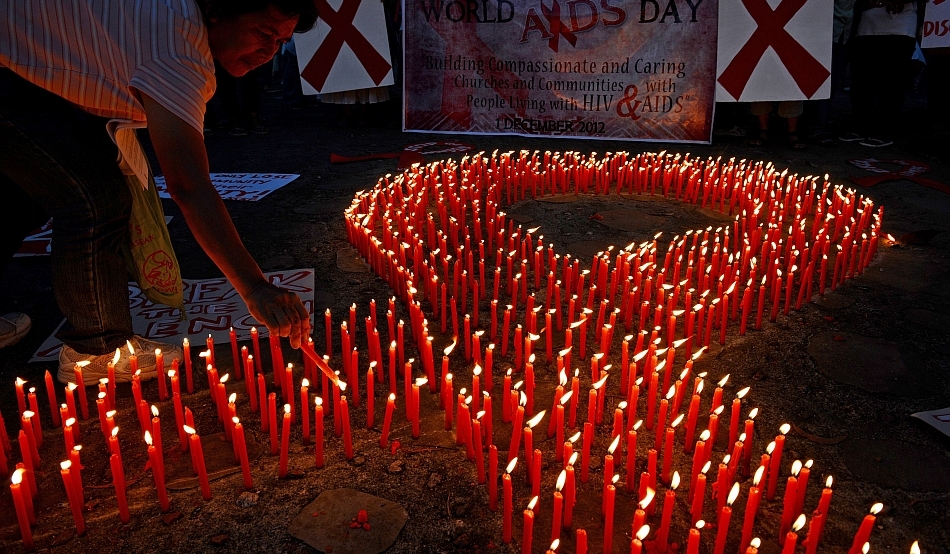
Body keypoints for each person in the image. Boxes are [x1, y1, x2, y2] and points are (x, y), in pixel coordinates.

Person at [0, 0, 316, 383]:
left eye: (281, 42)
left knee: (24, 194)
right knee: (94, 199)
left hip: (19, 68)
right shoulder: (179, 49)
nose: (270, 52)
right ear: (218, 10)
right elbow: (188, 185)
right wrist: (253, 287)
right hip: (10, 74)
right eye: (264, 33)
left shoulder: (176, 20)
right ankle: (95, 349)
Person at [842, 0, 924, 147]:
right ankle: (861, 127)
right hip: (866, 27)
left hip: (900, 28)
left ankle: (885, 131)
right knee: (862, 82)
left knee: (891, 83)